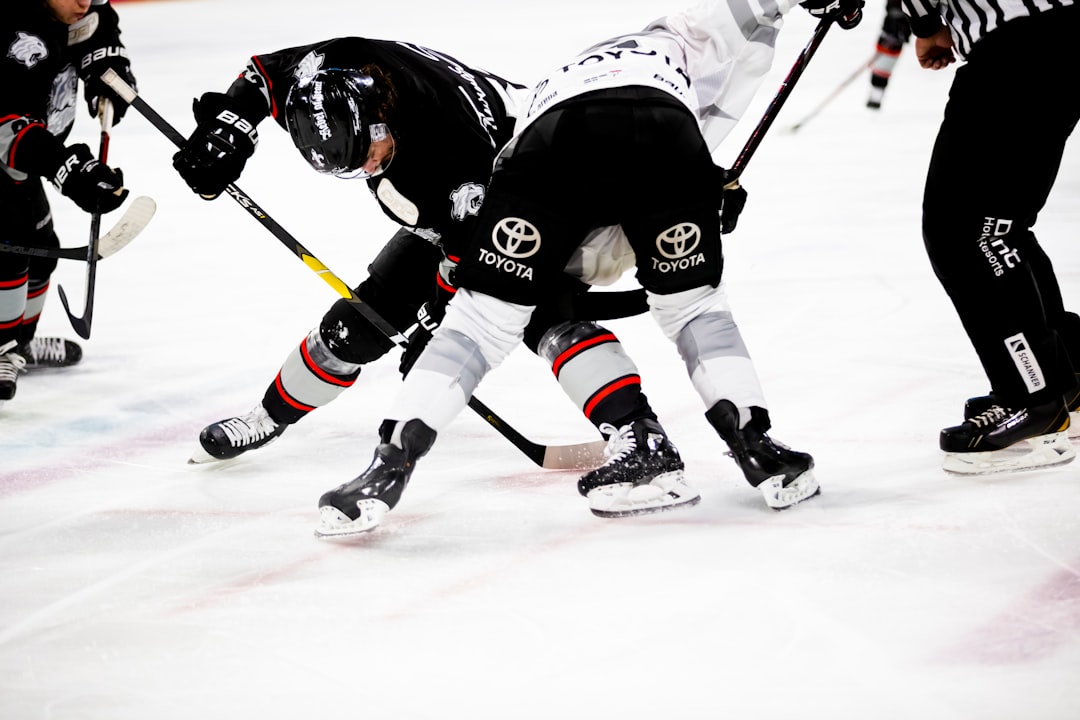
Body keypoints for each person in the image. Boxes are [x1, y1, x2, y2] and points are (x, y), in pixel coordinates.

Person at [314, 0, 866, 538]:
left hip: (551, 146)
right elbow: (748, 9)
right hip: (665, 136)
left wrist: (464, 307)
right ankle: (762, 451)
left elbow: (537, 264)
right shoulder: (677, 34)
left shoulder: (560, 79)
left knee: (482, 323)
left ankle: (388, 468)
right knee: (695, 307)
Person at [172, 37, 694, 509]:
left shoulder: (447, 148)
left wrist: (437, 323)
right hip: (460, 211)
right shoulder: (332, 72)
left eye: (367, 155)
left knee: (542, 317)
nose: (368, 169)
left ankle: (639, 431)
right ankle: (269, 417)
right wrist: (229, 128)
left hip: (541, 191)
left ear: (382, 120)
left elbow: (470, 263)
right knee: (358, 324)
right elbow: (263, 74)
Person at [903, 0, 1079, 474]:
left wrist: (925, 23)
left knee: (964, 233)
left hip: (1018, 48)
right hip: (1058, 32)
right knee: (1001, 226)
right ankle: (1066, 376)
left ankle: (1034, 401)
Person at [0, 0, 135, 406]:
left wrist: (105, 65)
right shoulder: (14, 36)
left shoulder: (70, 10)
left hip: (23, 163)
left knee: (42, 251)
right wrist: (66, 167)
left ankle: (17, 343)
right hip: (6, 158)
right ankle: (2, 347)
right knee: (9, 253)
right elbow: (5, 124)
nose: (83, 0)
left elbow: (99, 22)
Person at [867, 0, 910, 109]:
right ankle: (875, 96)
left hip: (893, 42)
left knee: (882, 69)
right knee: (880, 70)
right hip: (889, 38)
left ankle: (876, 96)